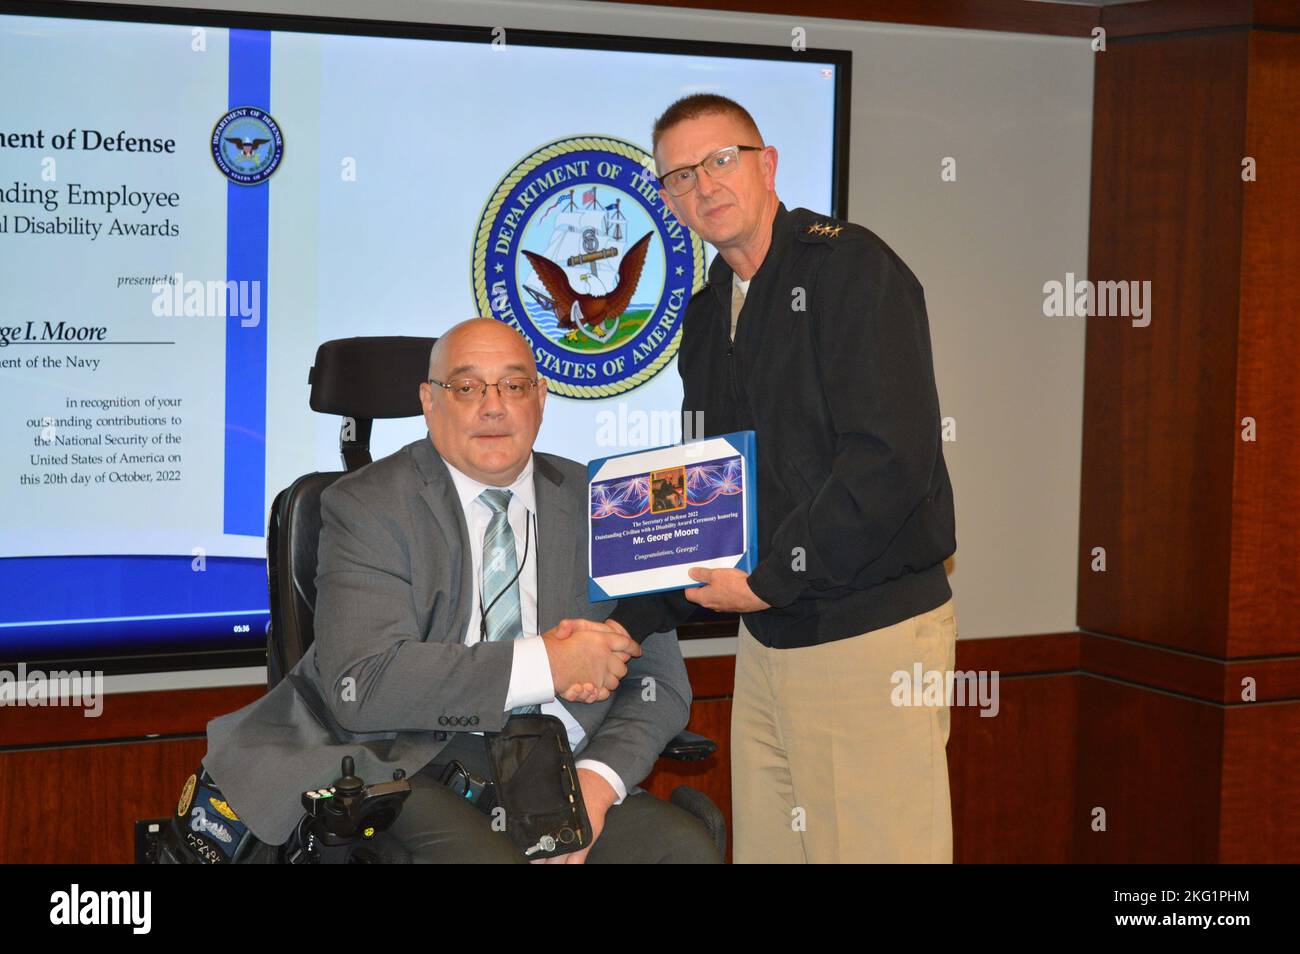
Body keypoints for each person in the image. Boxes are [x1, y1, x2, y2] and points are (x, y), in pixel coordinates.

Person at [202, 318, 718, 863]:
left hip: (559, 763)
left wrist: (596, 783)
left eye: (514, 386)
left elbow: (658, 684)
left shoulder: (608, 503)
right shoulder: (366, 505)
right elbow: (364, 684)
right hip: (405, 759)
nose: (492, 407)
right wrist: (550, 663)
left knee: (681, 851)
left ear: (540, 399)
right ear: (430, 400)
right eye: (467, 388)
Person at [604, 94, 959, 863]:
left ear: (767, 164)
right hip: (766, 639)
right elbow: (707, 492)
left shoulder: (851, 268)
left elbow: (889, 461)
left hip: (866, 634)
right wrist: (624, 621)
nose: (703, 186)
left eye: (720, 161)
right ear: (668, 200)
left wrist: (769, 578)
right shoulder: (705, 316)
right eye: (679, 177)